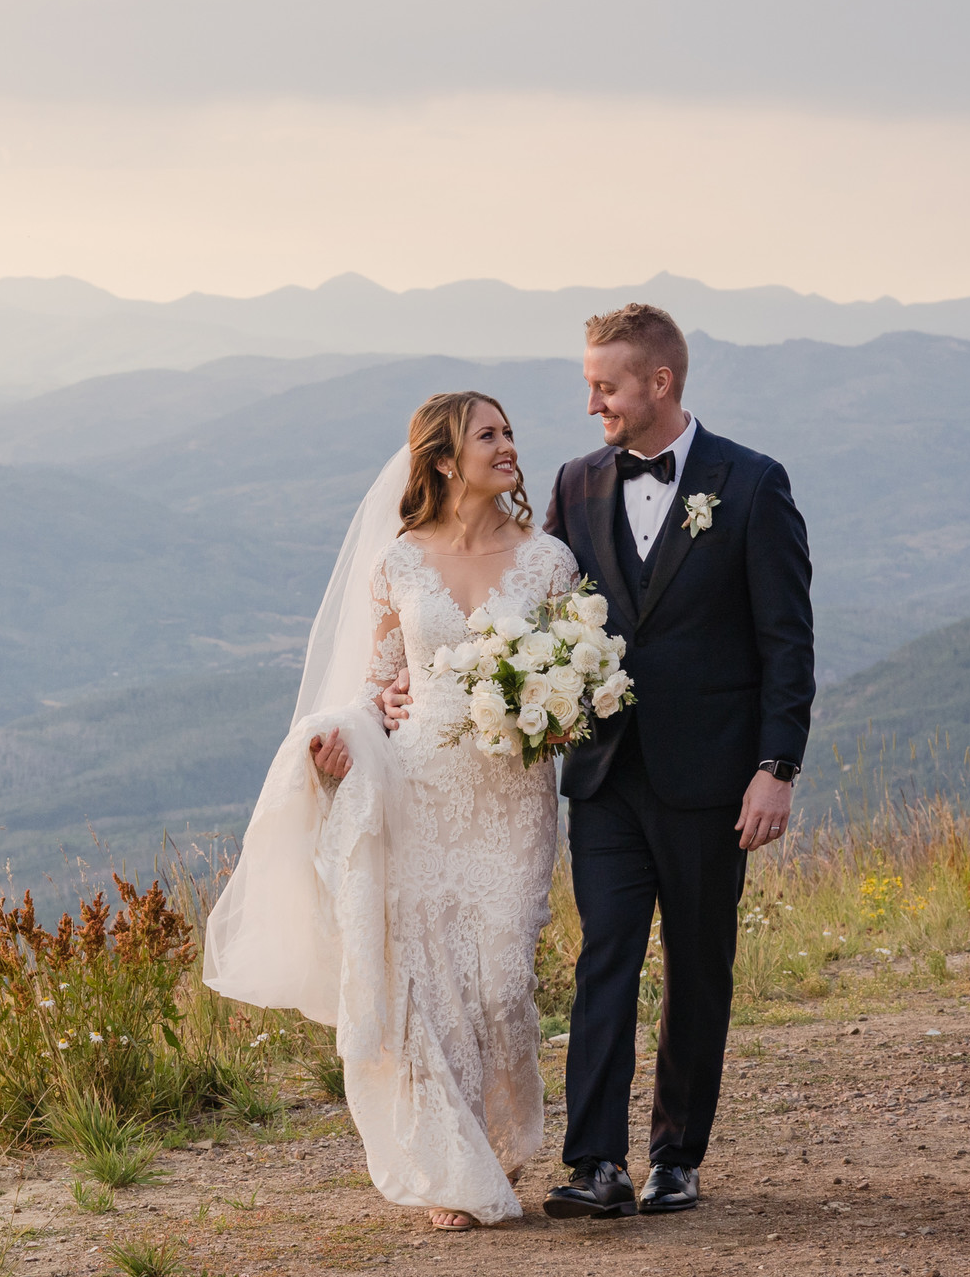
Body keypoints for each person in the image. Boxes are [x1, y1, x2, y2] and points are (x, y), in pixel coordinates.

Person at [205, 390, 578, 1229]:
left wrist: (560, 706)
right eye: (490, 435)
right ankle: (454, 1169)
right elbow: (376, 688)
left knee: (502, 978)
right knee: (429, 979)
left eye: (511, 432)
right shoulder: (400, 563)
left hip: (512, 798)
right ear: (445, 459)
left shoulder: (551, 562)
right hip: (420, 788)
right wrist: (345, 742)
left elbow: (572, 676)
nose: (510, 446)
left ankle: (502, 1141)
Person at [525, 302, 814, 1218]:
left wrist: (778, 764)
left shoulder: (753, 483)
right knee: (603, 957)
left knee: (698, 965)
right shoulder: (574, 484)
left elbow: (787, 640)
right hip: (606, 775)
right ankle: (596, 1164)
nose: (591, 405)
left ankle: (677, 1156)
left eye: (604, 388)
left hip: (711, 780)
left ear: (660, 384)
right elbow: (545, 620)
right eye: (587, 387)